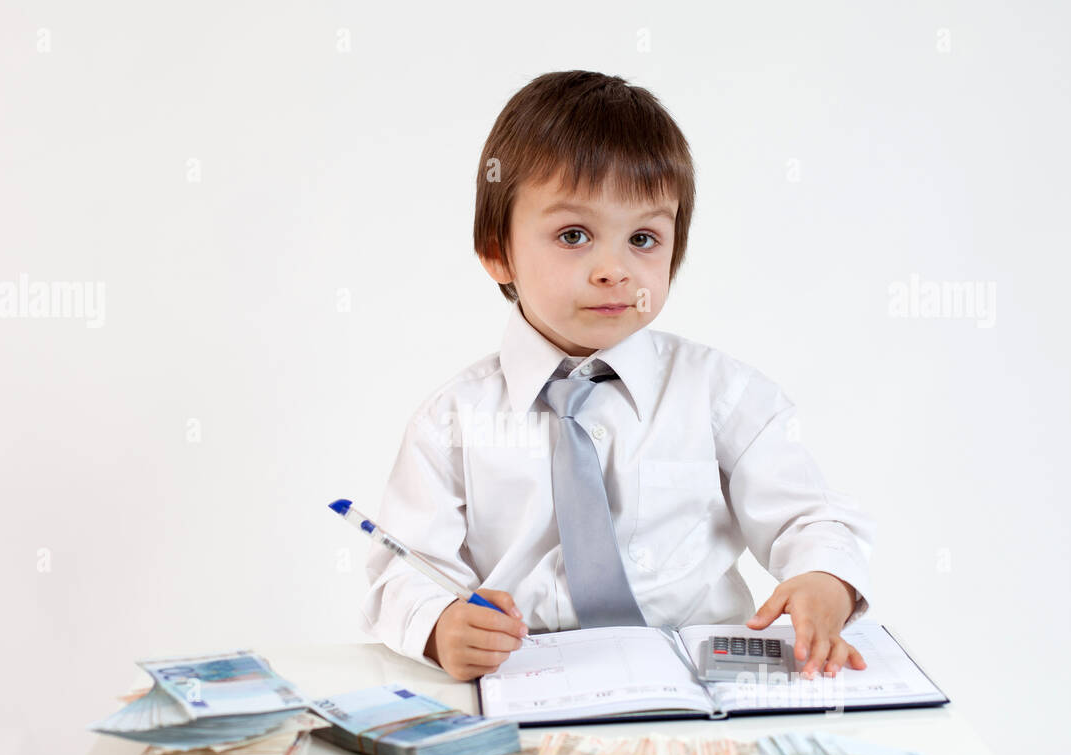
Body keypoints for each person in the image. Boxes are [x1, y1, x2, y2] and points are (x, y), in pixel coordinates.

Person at [361, 70, 875, 683]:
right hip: (526, 685)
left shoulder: (721, 393)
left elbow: (808, 517)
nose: (614, 270)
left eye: (643, 238)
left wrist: (823, 579)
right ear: (498, 250)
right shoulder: (452, 421)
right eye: (574, 235)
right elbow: (402, 570)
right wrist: (439, 624)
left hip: (699, 684)